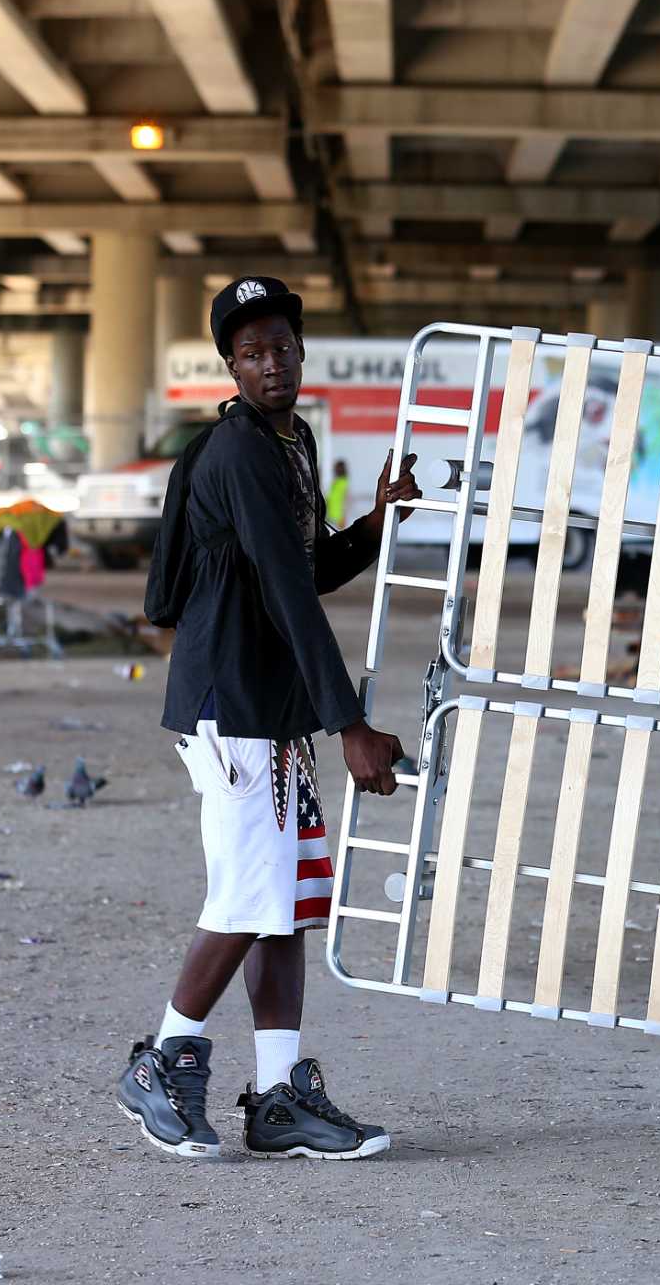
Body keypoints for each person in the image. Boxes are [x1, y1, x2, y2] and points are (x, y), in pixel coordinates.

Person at [116, 276, 421, 1162]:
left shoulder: (293, 442)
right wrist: (350, 722)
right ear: (231, 367)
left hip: (271, 707)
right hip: (235, 706)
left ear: (300, 350)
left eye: (281, 345)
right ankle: (161, 1060)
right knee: (248, 900)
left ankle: (280, 1095)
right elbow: (290, 597)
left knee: (281, 904)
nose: (270, 362)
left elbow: (307, 567)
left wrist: (370, 525)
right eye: (251, 353)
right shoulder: (240, 453)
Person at [326, 458, 350, 528]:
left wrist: (343, 517)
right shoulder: (336, 482)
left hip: (338, 518)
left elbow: (346, 500)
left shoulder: (344, 482)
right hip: (330, 515)